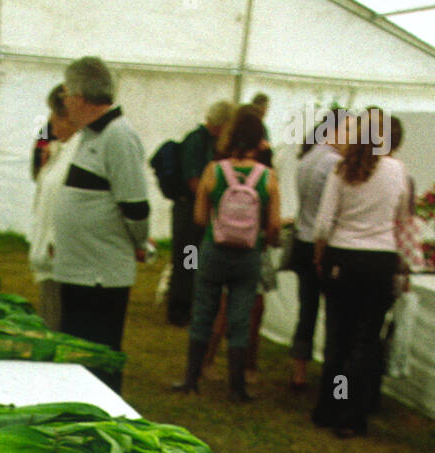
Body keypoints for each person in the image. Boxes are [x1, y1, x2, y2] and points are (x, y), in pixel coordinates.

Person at [51, 56, 151, 394]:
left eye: (65, 94)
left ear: (79, 96)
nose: (63, 102)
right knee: (78, 357)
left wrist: (139, 243)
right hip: (79, 272)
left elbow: (136, 207)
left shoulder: (118, 136)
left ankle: (101, 415)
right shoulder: (91, 135)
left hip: (100, 278)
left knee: (97, 358)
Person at [310, 109, 411, 438]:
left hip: (344, 257)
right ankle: (352, 414)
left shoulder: (344, 169)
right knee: (366, 341)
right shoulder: (397, 171)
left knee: (338, 337)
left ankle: (329, 405)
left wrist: (320, 256)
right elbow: (403, 219)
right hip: (380, 260)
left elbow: (324, 223)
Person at [173, 105, 280, 402]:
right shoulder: (268, 177)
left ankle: (191, 379)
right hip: (248, 256)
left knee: (203, 311)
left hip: (214, 250)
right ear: (260, 140)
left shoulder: (214, 170)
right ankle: (237, 387)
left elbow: (198, 218)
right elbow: (272, 225)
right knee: (240, 318)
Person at [167, 99, 234, 326]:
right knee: (188, 261)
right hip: (188, 211)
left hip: (198, 210)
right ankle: (180, 309)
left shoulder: (208, 141)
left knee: (194, 262)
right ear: (222, 123)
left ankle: (190, 305)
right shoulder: (196, 141)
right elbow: (194, 179)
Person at [287, 118, 343, 389]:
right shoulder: (333, 162)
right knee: (333, 313)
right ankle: (332, 376)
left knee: (306, 309)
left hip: (301, 239)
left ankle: (299, 371)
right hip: (322, 244)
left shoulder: (308, 156)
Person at [28, 85, 81, 329]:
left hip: (61, 256)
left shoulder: (81, 152)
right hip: (51, 256)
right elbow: (37, 175)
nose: (50, 121)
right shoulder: (49, 138)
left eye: (56, 116)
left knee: (57, 321)